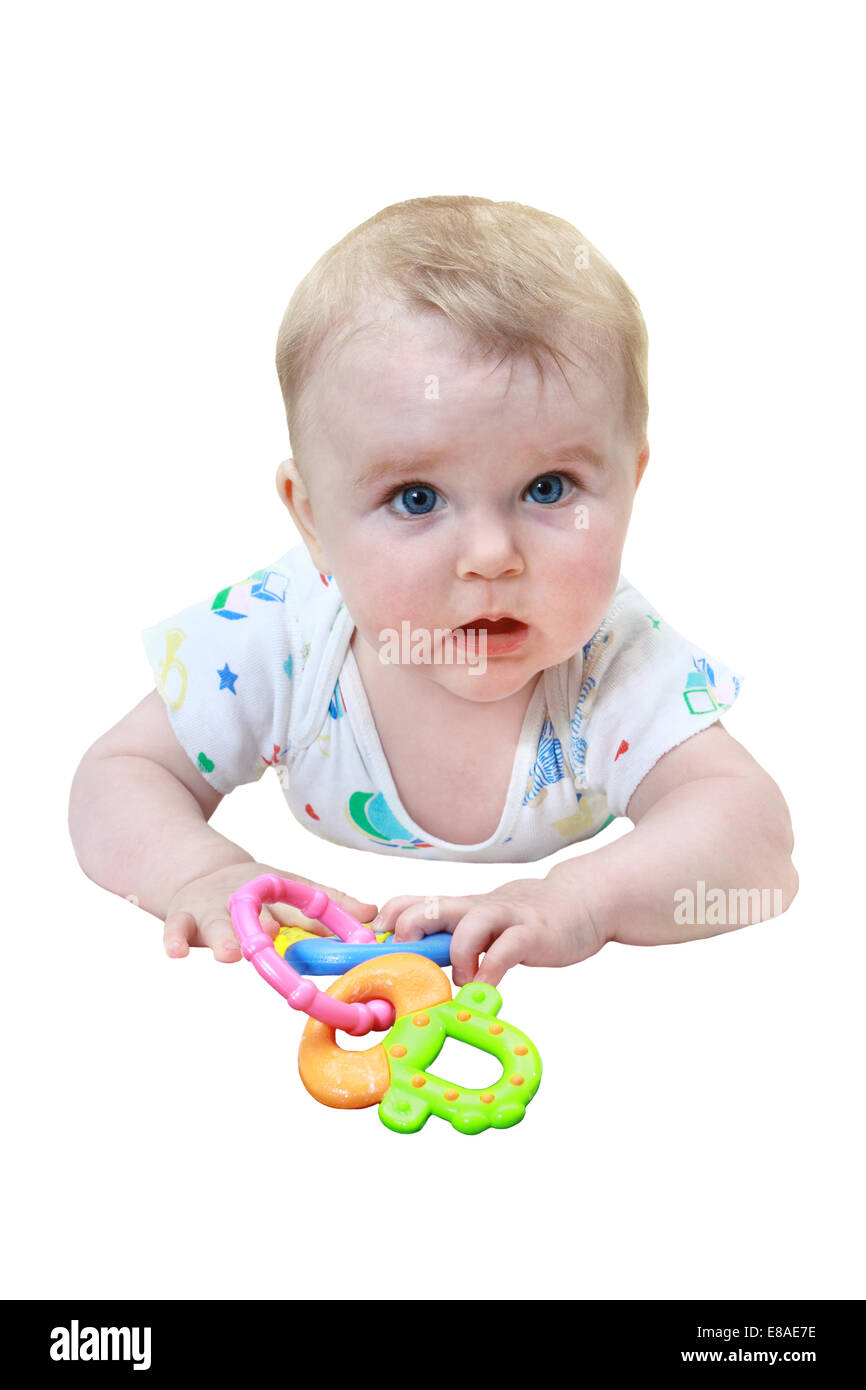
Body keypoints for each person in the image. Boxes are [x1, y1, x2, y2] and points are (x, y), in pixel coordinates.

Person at [68, 195, 798, 987]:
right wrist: (198, 873)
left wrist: (583, 901)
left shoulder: (612, 660)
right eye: (417, 498)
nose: (490, 556)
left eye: (550, 487)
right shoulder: (282, 631)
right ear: (311, 518)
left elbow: (756, 847)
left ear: (631, 484)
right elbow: (118, 775)